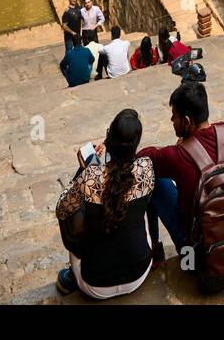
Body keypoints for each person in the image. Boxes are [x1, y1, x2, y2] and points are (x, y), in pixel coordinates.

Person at [140, 80, 224, 260]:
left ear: (187, 121)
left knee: (155, 180)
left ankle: (157, 256)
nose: (172, 120)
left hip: (198, 257)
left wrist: (184, 145)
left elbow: (143, 157)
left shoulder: (178, 155)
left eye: (174, 115)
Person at [54, 109, 155, 299]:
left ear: (109, 138)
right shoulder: (147, 168)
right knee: (141, 209)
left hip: (94, 285)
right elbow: (120, 181)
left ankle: (72, 276)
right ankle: (155, 253)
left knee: (75, 212)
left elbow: (62, 209)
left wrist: (82, 172)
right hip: (139, 274)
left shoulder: (90, 178)